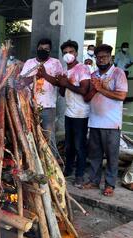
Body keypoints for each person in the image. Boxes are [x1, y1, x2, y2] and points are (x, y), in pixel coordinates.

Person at [83, 44, 128, 197]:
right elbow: (87, 97)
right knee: (94, 155)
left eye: (104, 57)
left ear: (110, 57)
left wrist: (101, 89)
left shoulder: (118, 73)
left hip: (111, 123)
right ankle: (94, 181)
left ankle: (110, 185)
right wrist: (95, 89)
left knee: (111, 156)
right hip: (94, 121)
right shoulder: (94, 74)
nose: (101, 60)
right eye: (98, 57)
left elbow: (121, 96)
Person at [19, 38, 64, 158]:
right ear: (37, 49)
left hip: (48, 106)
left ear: (50, 51)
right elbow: (21, 82)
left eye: (46, 49)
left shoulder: (55, 63)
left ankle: (53, 163)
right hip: (29, 105)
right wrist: (36, 76)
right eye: (41, 49)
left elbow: (60, 83)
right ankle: (35, 162)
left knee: (49, 137)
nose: (43, 51)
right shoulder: (29, 63)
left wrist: (45, 75)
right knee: (30, 134)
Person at [57, 40, 91, 188]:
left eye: (70, 52)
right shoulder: (65, 71)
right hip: (69, 113)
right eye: (65, 53)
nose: (67, 55)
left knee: (79, 145)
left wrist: (67, 84)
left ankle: (79, 175)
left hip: (81, 114)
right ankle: (68, 169)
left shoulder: (82, 69)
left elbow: (84, 91)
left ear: (76, 53)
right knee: (69, 145)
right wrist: (62, 84)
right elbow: (62, 93)